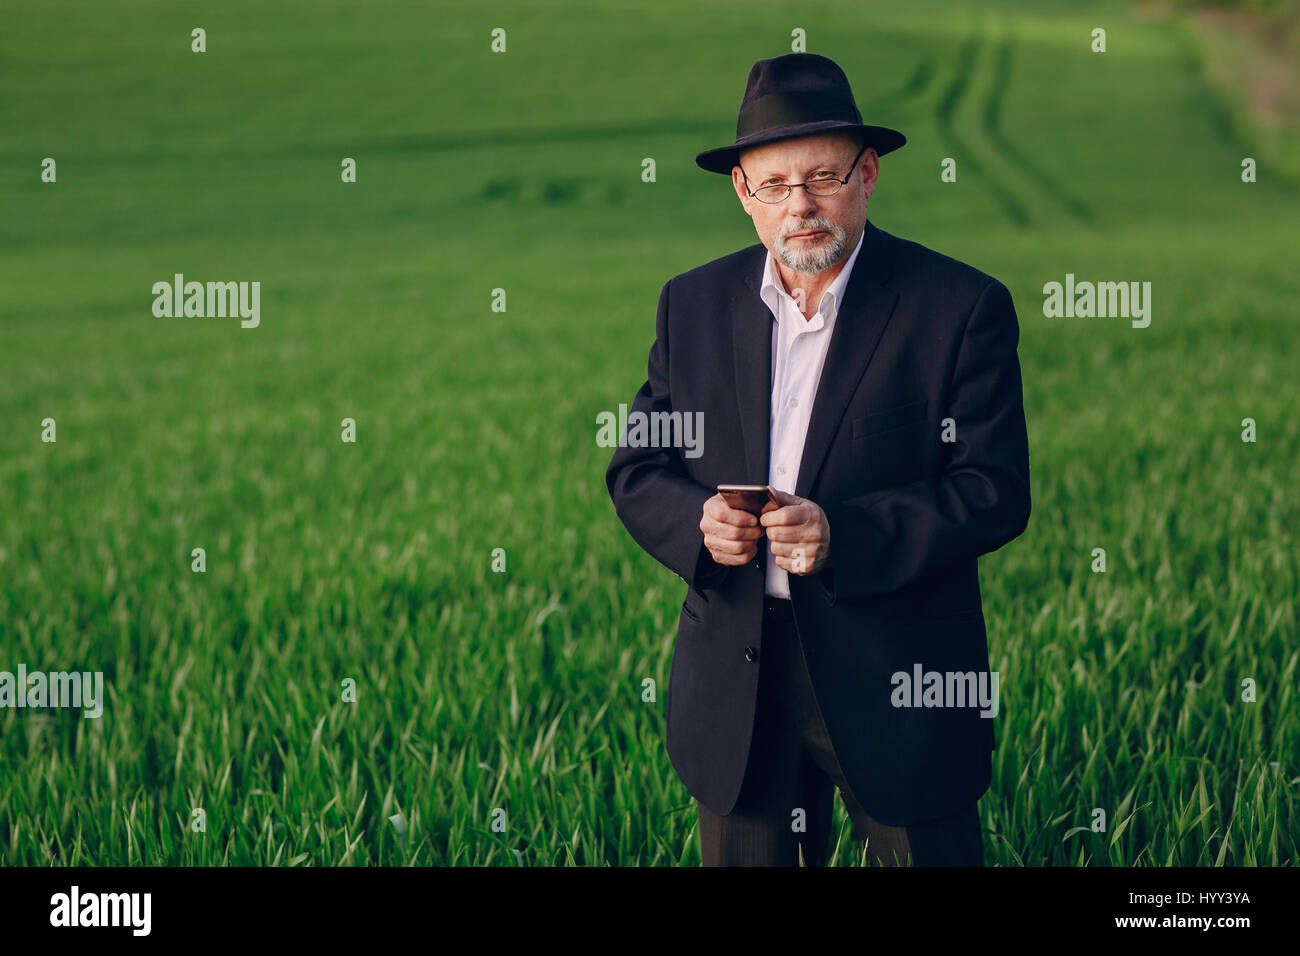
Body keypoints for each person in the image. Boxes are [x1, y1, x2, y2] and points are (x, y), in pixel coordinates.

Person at [605, 52, 1031, 866]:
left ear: (868, 174)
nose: (799, 205)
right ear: (743, 193)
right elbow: (638, 468)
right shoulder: (689, 305)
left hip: (900, 682)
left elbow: (993, 490)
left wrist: (845, 534)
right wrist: (699, 527)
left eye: (823, 176)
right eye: (774, 185)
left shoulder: (960, 307)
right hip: (738, 681)